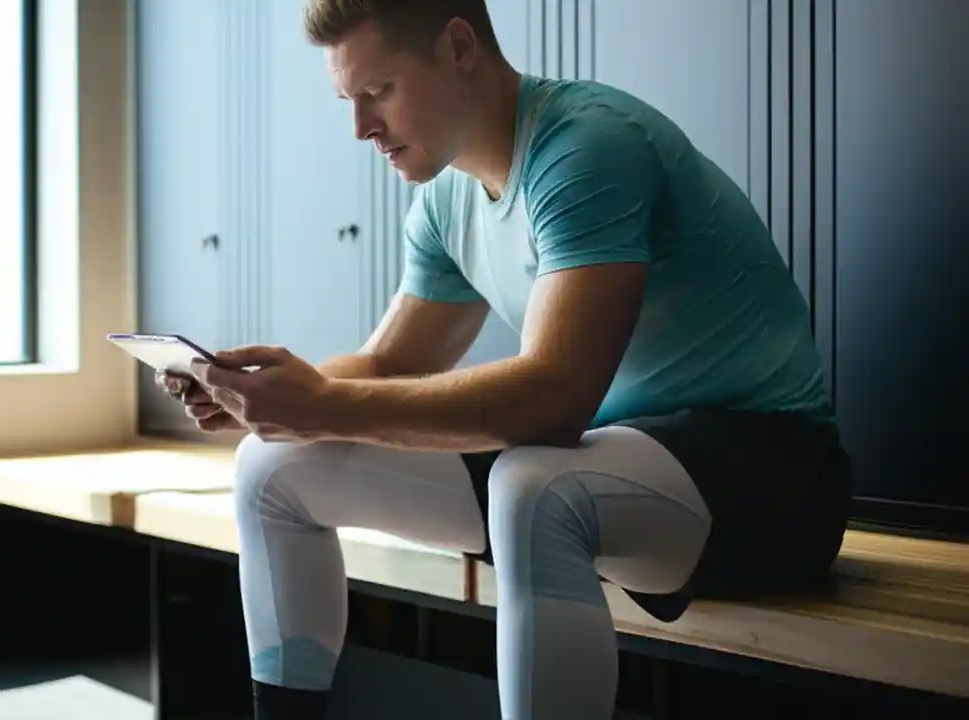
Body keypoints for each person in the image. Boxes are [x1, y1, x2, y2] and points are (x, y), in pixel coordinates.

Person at [157, 1, 852, 717]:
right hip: (606, 465)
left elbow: (555, 398)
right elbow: (392, 364)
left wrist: (320, 405)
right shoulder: (446, 196)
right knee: (272, 466)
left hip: (772, 475)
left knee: (530, 487)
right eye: (348, 101)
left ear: (459, 46)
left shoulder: (585, 146)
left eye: (378, 91)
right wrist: (255, 394)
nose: (361, 128)